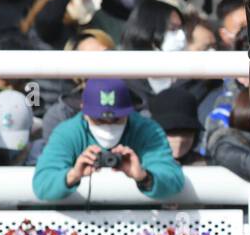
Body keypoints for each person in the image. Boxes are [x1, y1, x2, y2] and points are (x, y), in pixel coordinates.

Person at [32, 77, 184, 200]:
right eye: (99, 120)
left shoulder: (147, 130)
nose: (108, 126)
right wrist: (73, 174)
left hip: (139, 220)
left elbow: (174, 179)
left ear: (129, 113)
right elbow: (42, 185)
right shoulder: (67, 132)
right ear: (84, 112)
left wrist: (145, 177)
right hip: (77, 219)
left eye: (117, 119)